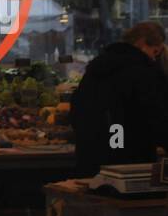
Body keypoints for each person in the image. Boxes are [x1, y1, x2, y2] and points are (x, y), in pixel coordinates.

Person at [71, 20, 168, 176]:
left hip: (90, 154)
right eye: (155, 52)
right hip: (129, 161)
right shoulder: (143, 72)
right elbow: (156, 115)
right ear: (142, 43)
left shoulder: (97, 67)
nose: (155, 58)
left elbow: (77, 109)